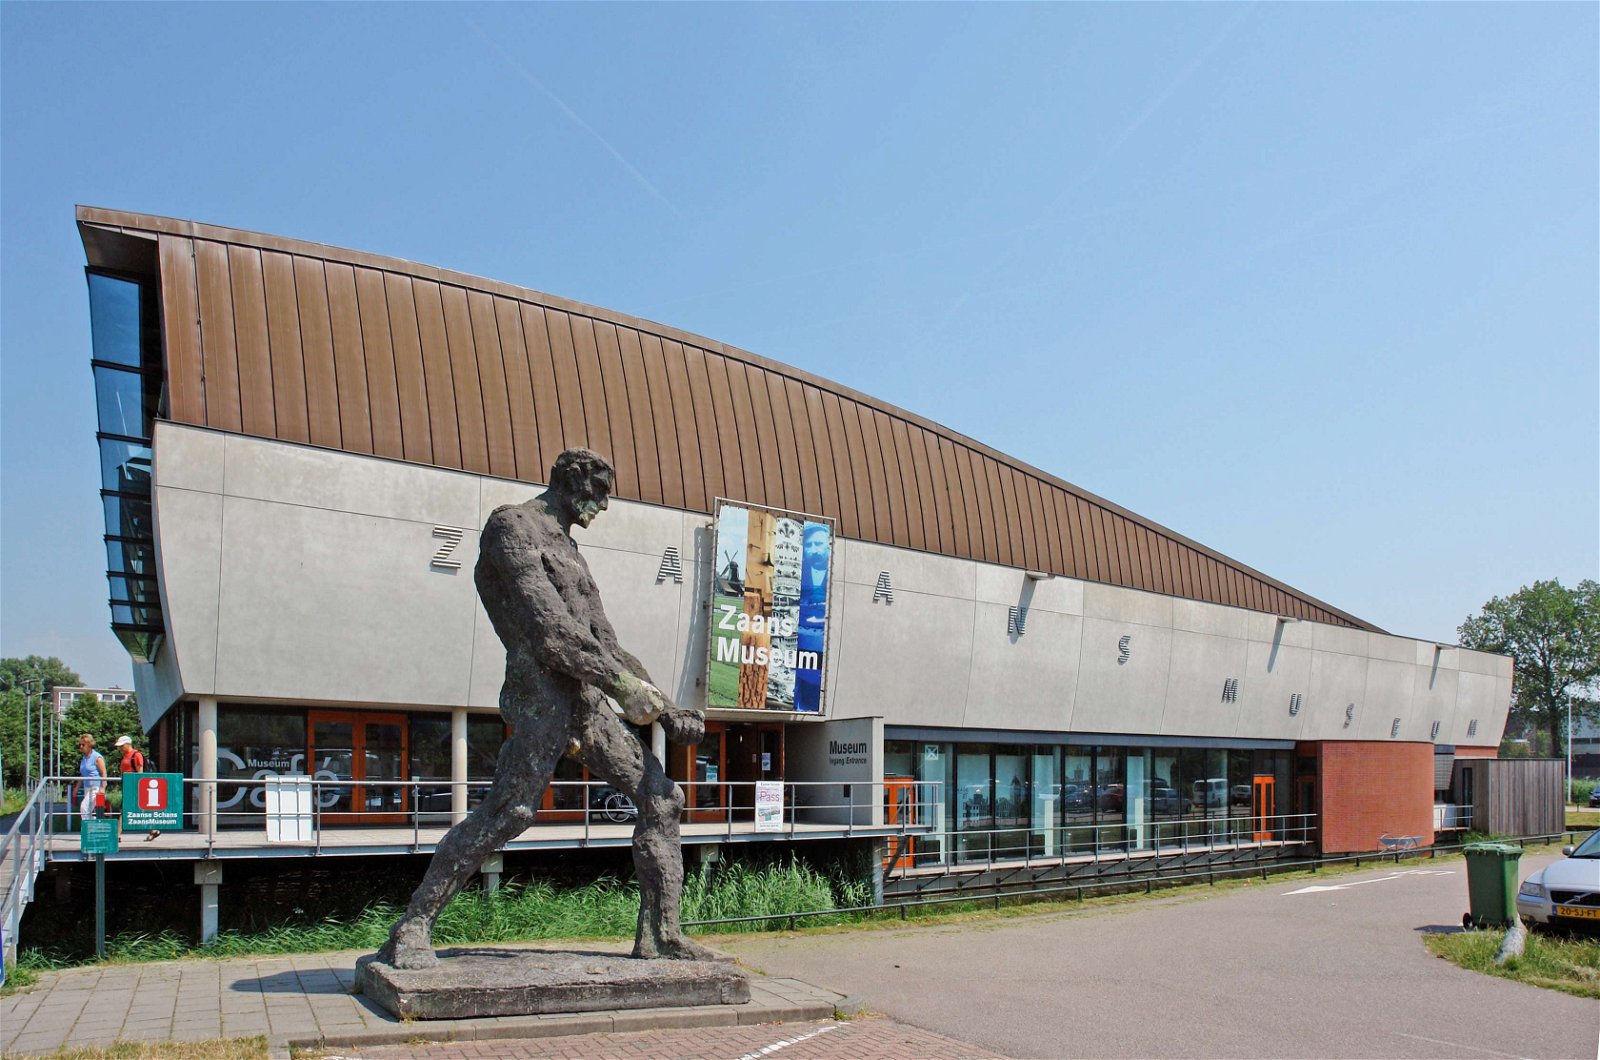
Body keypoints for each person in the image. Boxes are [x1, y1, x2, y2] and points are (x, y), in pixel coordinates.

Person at [377, 448, 708, 970]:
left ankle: (661, 936)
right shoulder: (511, 526)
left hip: (585, 697)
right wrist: (623, 687)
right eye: (598, 493)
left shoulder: (571, 551)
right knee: (511, 812)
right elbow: (549, 633)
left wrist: (666, 708)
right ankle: (412, 927)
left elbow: (606, 641)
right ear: (571, 482)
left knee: (663, 798)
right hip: (540, 695)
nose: (603, 505)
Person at [76, 734, 108, 822]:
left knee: (84, 807)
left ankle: (88, 828)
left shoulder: (97, 757)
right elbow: (83, 774)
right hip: (87, 787)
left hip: (96, 787)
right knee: (88, 811)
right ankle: (94, 826)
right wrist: (76, 788)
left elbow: (104, 772)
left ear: (89, 745)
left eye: (83, 745)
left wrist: (103, 788)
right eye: (80, 745)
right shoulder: (84, 758)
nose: (81, 747)